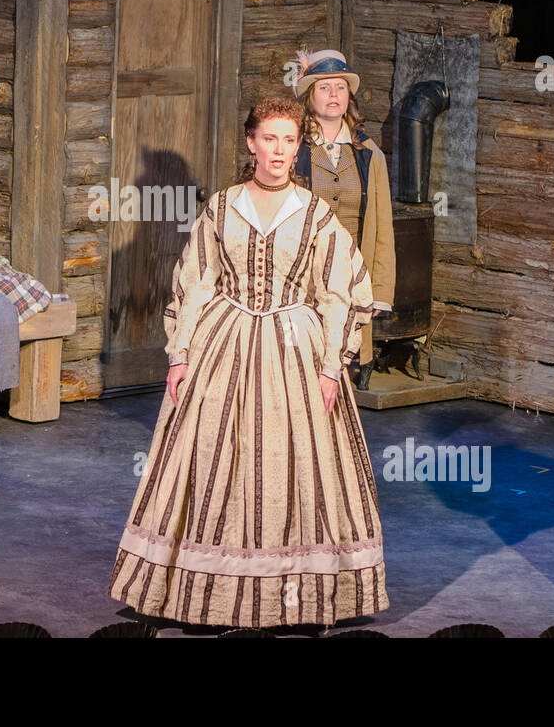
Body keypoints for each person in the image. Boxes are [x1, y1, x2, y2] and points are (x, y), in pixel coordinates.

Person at [108, 96, 389, 629]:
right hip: (224, 343)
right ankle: (203, 592)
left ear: (298, 146)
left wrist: (333, 364)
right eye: (270, 139)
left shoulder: (315, 214)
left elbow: (339, 291)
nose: (279, 150)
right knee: (215, 460)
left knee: (295, 469)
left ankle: (302, 595)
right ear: (251, 143)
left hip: (295, 350)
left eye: (290, 140)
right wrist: (180, 352)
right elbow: (195, 282)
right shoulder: (222, 206)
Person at [292, 49, 395, 390]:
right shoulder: (295, 150)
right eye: (324, 87)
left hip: (351, 281)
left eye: (340, 87)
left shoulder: (368, 154)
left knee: (339, 372)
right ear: (310, 96)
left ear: (349, 96)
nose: (333, 94)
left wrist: (379, 290)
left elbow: (382, 228)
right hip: (303, 280)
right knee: (299, 368)